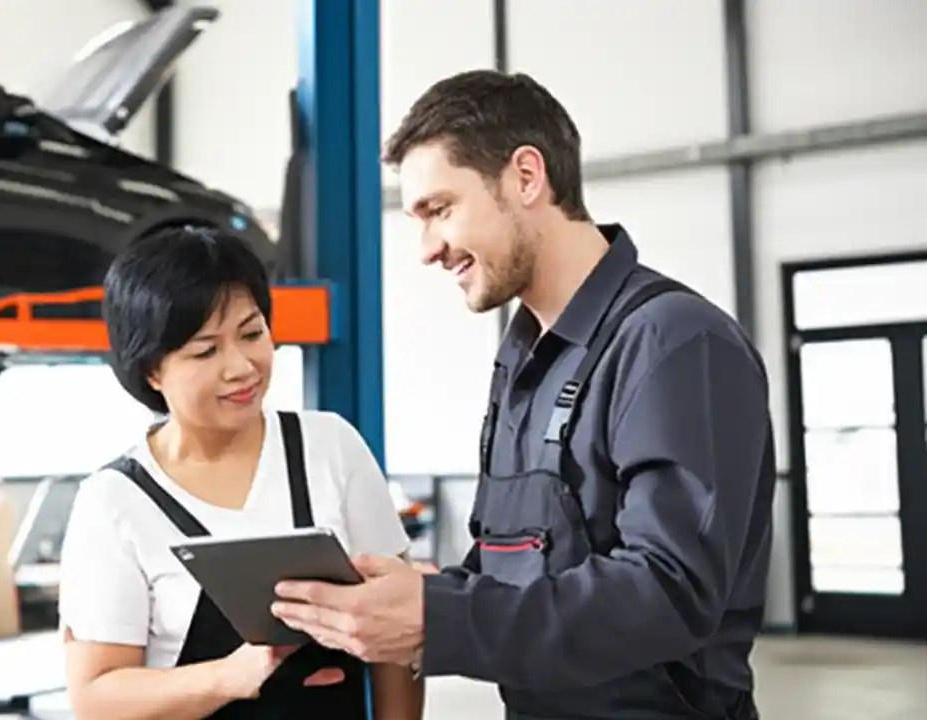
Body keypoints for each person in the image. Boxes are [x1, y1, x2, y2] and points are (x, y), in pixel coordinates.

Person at [270, 70, 776, 719]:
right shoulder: (522, 358)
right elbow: (517, 569)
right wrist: (423, 590)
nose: (427, 250)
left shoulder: (674, 343)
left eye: (439, 210)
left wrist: (440, 617)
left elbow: (670, 592)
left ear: (526, 177)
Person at [57, 225, 424, 719]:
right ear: (151, 371)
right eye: (206, 351)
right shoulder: (115, 501)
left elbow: (396, 646)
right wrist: (227, 677)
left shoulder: (330, 448)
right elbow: (97, 699)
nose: (241, 367)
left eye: (252, 334)